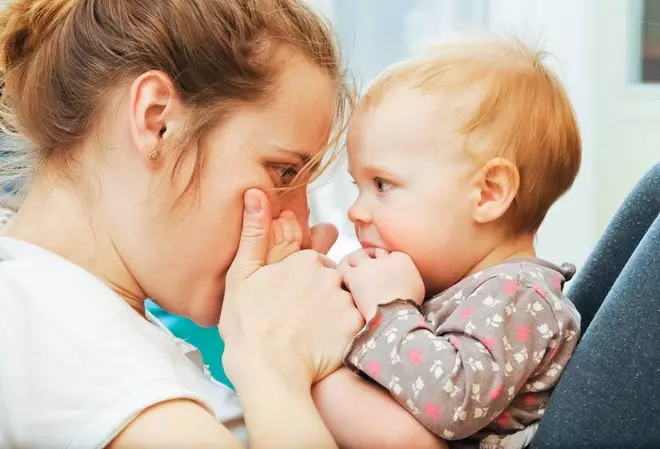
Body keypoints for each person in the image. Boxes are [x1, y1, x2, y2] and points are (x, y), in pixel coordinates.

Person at [0, 0, 371, 447]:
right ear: (157, 122)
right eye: (283, 172)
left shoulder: (59, 308)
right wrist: (272, 363)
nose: (299, 219)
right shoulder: (61, 337)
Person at [275, 37, 583, 449]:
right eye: (358, 185)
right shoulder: (449, 284)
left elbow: (451, 401)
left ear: (488, 193)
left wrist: (389, 310)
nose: (356, 211)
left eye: (382, 184)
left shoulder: (520, 298)